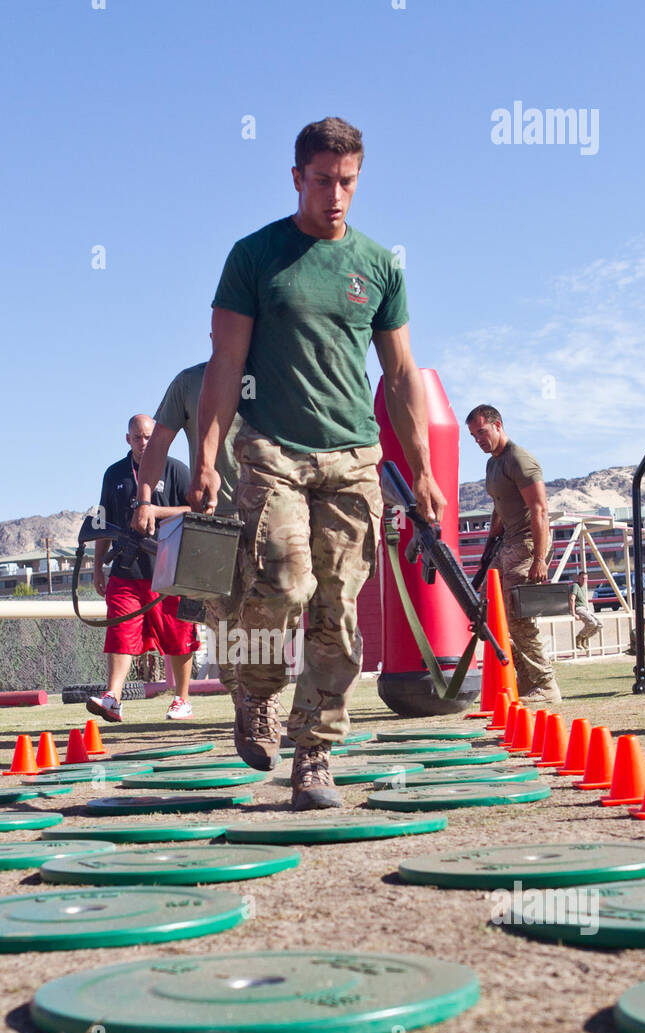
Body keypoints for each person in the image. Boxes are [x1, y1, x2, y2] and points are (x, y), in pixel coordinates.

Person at [187, 117, 445, 811]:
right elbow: (224, 361)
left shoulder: (379, 264)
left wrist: (417, 468)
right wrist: (206, 456)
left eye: (348, 183)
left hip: (355, 457)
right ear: (297, 176)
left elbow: (399, 375)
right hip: (271, 449)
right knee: (283, 580)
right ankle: (256, 690)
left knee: (338, 610)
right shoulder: (255, 256)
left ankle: (315, 755)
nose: (336, 195)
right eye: (324, 180)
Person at [132, 360, 243, 702]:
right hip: (215, 518)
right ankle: (246, 700)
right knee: (223, 619)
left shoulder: (274, 366)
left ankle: (264, 696)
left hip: (273, 506)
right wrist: (144, 500)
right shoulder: (189, 382)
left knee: (275, 605)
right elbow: (159, 442)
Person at [88, 414, 199, 722]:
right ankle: (113, 697)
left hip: (170, 568)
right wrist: (98, 567)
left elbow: (197, 509)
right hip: (125, 569)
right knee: (120, 631)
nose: (143, 442)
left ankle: (182, 698)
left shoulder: (176, 469)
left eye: (149, 437)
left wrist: (152, 509)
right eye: (137, 437)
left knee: (179, 635)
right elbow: (103, 522)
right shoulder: (114, 474)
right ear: (128, 439)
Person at [466, 405, 561, 704]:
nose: (478, 440)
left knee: (518, 616)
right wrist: (491, 541)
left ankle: (546, 685)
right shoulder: (493, 464)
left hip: (528, 544)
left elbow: (540, 510)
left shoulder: (519, 459)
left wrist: (539, 559)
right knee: (492, 613)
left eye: (482, 432)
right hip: (507, 543)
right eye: (473, 435)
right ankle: (524, 680)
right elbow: (499, 505)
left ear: (497, 425)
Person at [569, 570, 601, 650]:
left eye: (586, 579)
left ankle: (584, 638)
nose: (584, 580)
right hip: (578, 608)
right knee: (592, 623)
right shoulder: (575, 586)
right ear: (578, 578)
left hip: (585, 608)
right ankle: (579, 638)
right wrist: (573, 613)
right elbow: (572, 599)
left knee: (600, 624)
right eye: (582, 578)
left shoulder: (584, 587)